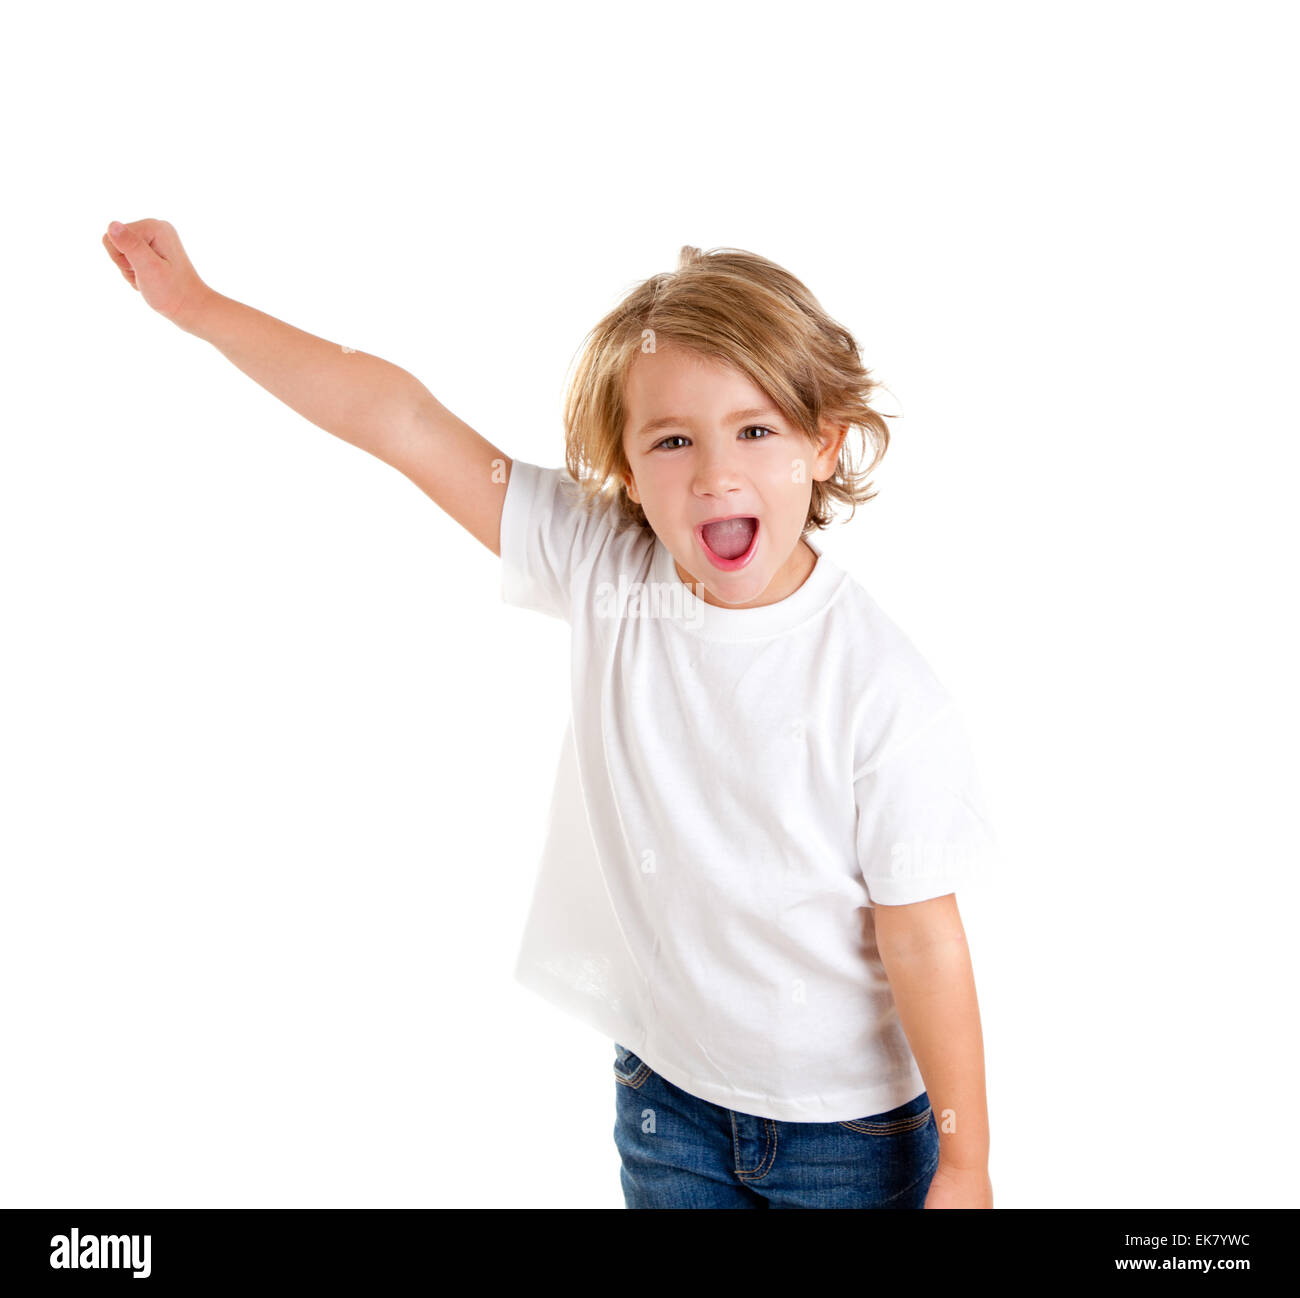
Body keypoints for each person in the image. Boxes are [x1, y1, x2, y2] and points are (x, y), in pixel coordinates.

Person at [103, 222, 999, 1209]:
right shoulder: (599, 560)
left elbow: (923, 938)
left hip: (848, 1130)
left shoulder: (880, 690)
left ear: (823, 441)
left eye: (755, 429)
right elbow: (401, 417)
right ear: (622, 460)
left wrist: (963, 1163)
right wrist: (198, 307)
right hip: (668, 1099)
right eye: (672, 439)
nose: (713, 472)